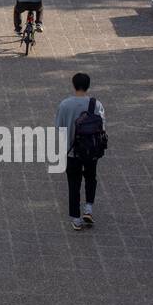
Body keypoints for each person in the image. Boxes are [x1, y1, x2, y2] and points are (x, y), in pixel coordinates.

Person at [55, 73, 105, 232]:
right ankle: (88, 208)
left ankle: (76, 219)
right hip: (91, 150)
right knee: (91, 177)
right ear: (88, 86)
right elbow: (102, 127)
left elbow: (59, 129)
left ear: (73, 85)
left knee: (74, 183)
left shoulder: (64, 105)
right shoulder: (96, 105)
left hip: (72, 152)